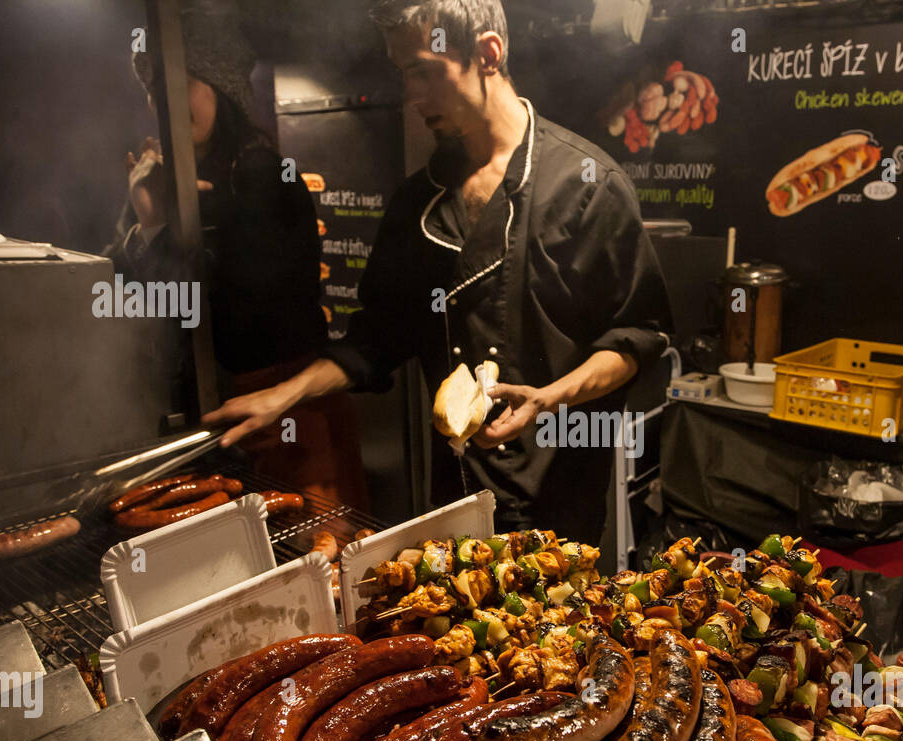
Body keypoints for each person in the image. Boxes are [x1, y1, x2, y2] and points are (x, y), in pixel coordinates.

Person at [205, 0, 671, 544]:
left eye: (424, 70)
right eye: (404, 74)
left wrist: (549, 398)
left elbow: (636, 338)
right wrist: (284, 394)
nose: (413, 95)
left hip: (558, 500)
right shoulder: (416, 202)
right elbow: (375, 341)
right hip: (453, 494)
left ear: (488, 53)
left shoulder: (588, 185)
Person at [107, 2, 369, 510]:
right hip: (224, 412)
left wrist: (156, 227)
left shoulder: (262, 174)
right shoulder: (167, 180)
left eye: (184, 84)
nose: (166, 102)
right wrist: (144, 225)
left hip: (288, 404)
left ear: (222, 89)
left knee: (321, 562)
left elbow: (241, 310)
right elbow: (130, 296)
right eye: (154, 89)